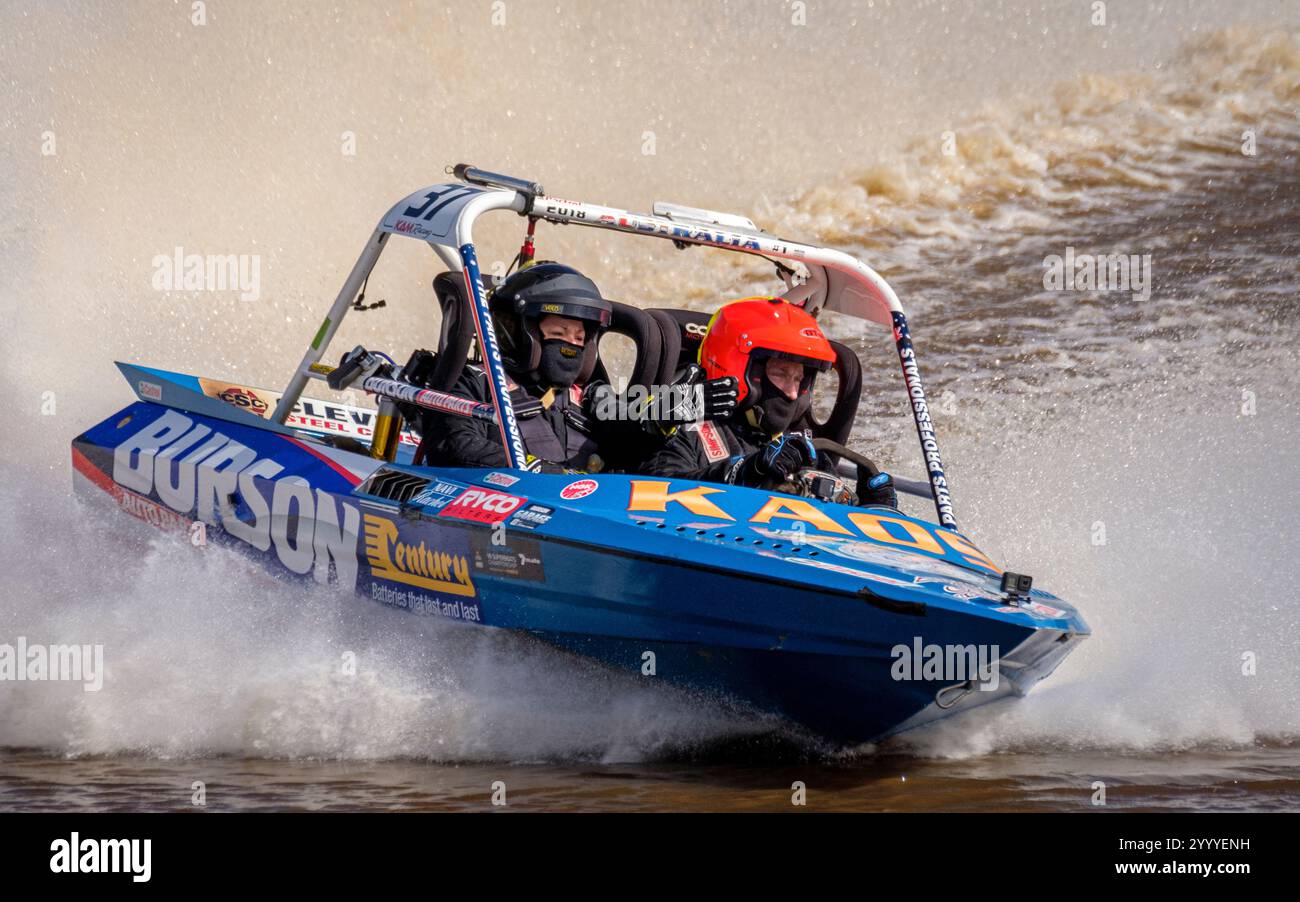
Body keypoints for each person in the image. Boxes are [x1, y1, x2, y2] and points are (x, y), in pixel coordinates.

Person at [641, 296, 898, 507]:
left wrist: (875, 511)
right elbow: (653, 496)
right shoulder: (686, 429)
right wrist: (747, 473)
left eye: (799, 379)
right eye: (781, 373)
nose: (792, 393)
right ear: (737, 367)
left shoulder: (806, 451)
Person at [417, 262, 613, 472]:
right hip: (501, 496)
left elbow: (632, 446)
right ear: (516, 333)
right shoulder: (478, 382)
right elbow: (455, 444)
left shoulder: (589, 396)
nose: (570, 345)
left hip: (588, 502)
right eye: (558, 334)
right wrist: (543, 471)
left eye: (579, 338)